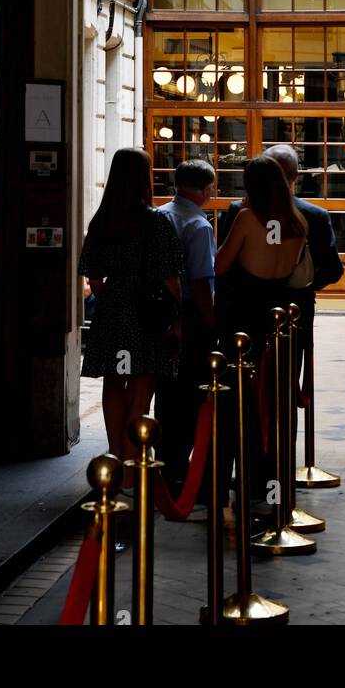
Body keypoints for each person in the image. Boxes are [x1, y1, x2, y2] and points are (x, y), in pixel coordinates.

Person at [77, 147, 183, 487]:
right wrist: (177, 313)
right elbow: (170, 276)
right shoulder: (155, 221)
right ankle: (132, 459)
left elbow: (92, 278)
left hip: (113, 310)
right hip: (147, 310)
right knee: (142, 384)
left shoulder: (101, 220)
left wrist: (115, 298)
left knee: (114, 381)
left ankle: (115, 454)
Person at [216, 155, 308, 503]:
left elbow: (220, 264)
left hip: (245, 317)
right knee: (276, 399)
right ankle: (274, 477)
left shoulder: (246, 218)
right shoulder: (297, 221)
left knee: (242, 402)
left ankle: (249, 475)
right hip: (281, 315)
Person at [218, 143, 343, 344]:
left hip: (246, 307)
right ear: (294, 176)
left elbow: (222, 267)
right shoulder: (307, 217)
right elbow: (332, 270)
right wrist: (301, 286)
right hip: (294, 309)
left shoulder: (242, 213)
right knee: (286, 371)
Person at [155, 159, 217, 492]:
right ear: (207, 190)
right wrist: (212, 324)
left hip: (157, 315)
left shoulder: (158, 215)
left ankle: (163, 461)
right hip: (189, 318)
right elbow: (199, 283)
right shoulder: (198, 225)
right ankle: (182, 468)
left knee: (165, 393)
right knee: (191, 395)